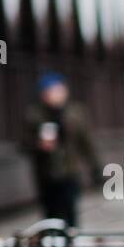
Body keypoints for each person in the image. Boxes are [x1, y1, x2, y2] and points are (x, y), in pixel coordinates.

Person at [20, 72, 100, 228]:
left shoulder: (75, 113)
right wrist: (39, 145)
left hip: (70, 170)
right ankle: (53, 243)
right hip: (46, 173)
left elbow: (86, 143)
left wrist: (95, 168)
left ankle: (72, 242)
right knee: (50, 212)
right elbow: (23, 143)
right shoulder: (35, 115)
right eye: (50, 91)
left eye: (58, 90)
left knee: (70, 209)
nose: (55, 95)